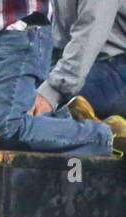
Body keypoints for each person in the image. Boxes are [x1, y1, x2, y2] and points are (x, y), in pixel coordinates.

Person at [0, 0, 113, 155]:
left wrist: (54, 90)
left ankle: (100, 137)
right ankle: (67, 124)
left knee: (2, 130)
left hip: (14, 28)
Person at [38, 0, 126, 149]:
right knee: (19, 99)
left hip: (115, 67)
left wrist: (52, 91)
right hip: (79, 65)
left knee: (39, 110)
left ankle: (106, 137)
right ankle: (101, 130)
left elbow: (88, 37)